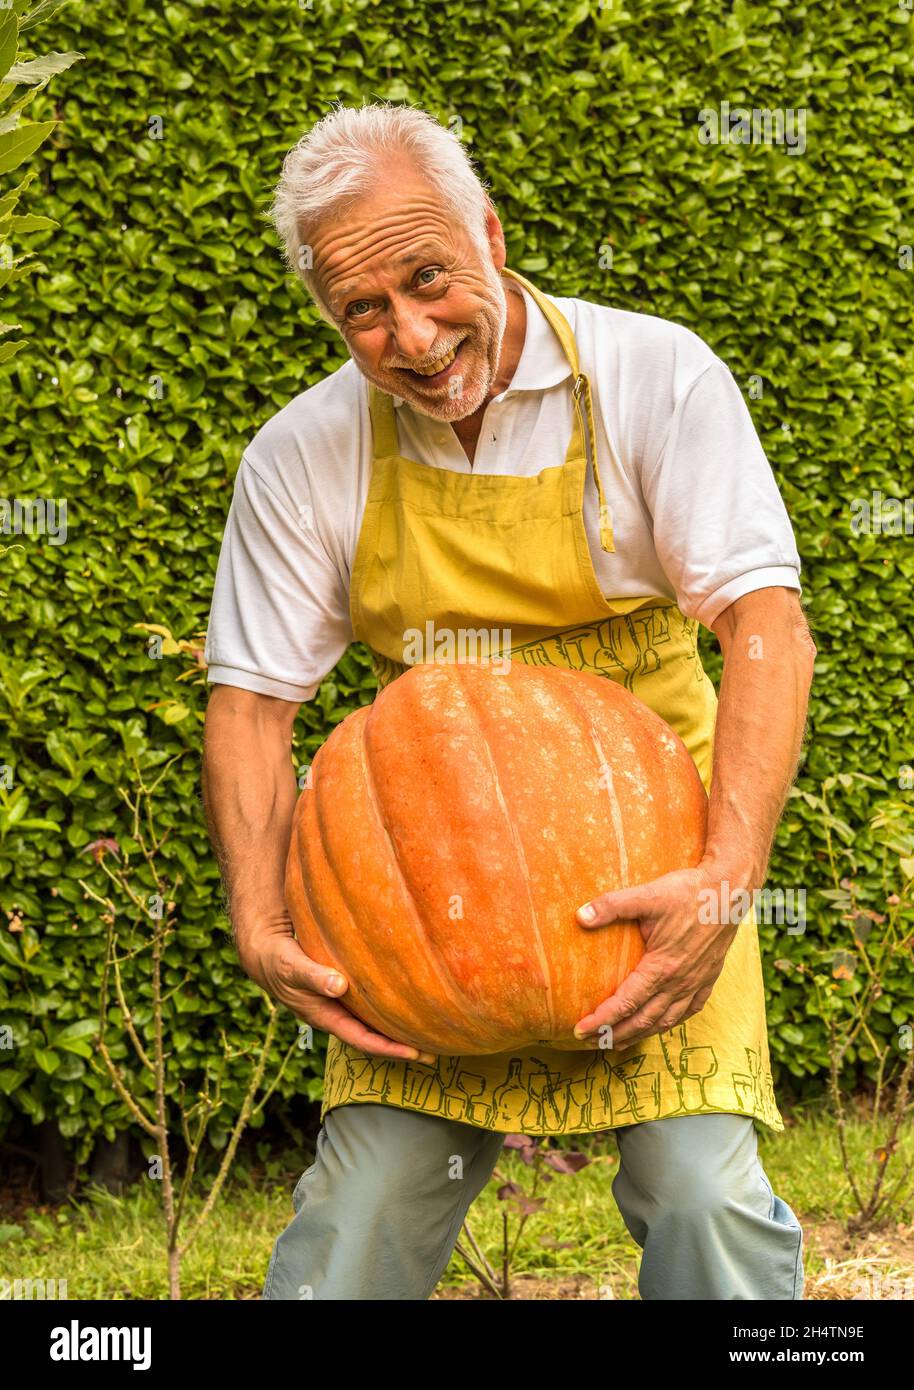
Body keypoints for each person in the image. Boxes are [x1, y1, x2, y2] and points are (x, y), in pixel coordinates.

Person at [201, 101, 814, 1301]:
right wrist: (258, 916)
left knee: (701, 1195)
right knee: (360, 1215)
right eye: (362, 311)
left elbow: (764, 628)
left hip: (659, 866)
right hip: (428, 882)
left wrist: (726, 875)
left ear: (487, 232)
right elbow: (252, 705)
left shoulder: (654, 373)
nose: (412, 337)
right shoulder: (300, 452)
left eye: (427, 278)